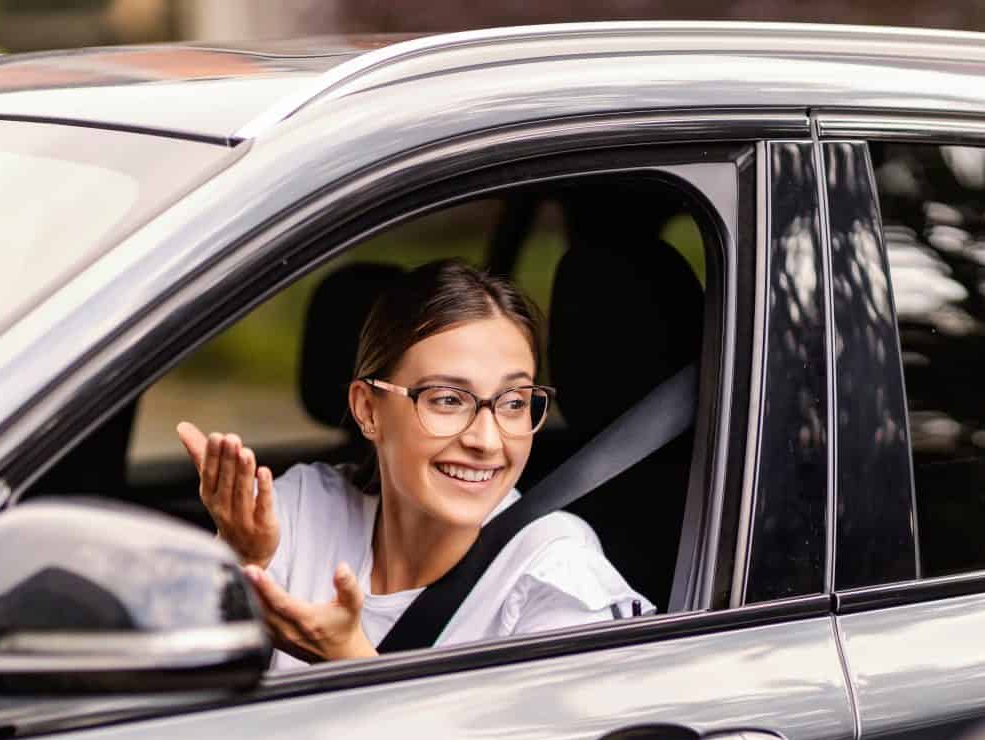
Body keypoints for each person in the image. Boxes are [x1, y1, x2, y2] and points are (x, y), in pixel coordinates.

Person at [177, 259, 650, 669]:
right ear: (367, 409)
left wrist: (349, 663)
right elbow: (178, 693)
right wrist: (240, 561)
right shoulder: (300, 511)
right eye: (447, 400)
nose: (487, 440)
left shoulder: (555, 579)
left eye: (513, 402)